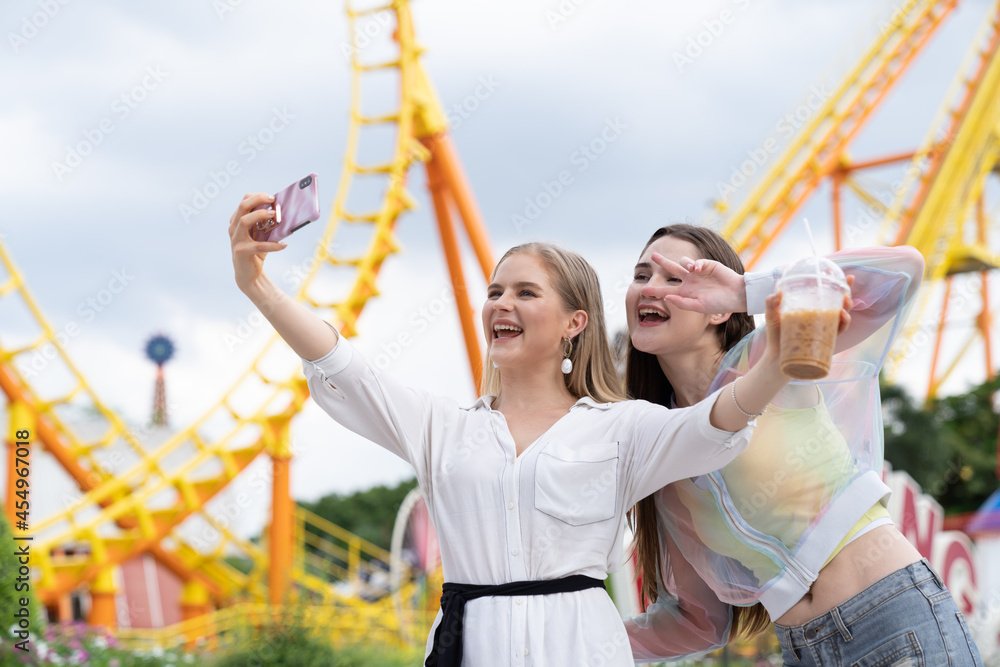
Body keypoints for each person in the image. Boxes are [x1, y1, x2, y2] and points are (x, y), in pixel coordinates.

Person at [227, 194, 805, 666]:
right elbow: (342, 368)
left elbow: (718, 420)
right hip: (466, 648)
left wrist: (777, 363)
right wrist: (258, 286)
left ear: (574, 324)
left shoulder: (623, 429)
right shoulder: (441, 427)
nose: (501, 304)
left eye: (526, 293)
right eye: (495, 292)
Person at [622, 224, 983, 666]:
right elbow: (699, 621)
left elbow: (902, 271)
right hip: (802, 649)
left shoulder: (771, 356)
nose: (650, 289)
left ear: (716, 312)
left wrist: (743, 292)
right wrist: (574, 634)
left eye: (674, 278)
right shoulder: (662, 449)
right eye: (641, 277)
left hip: (891, 613)